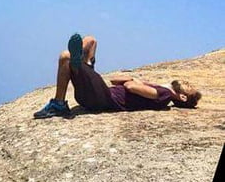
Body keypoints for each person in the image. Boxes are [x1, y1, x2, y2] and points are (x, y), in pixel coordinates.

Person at [34, 33, 202, 119]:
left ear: (183, 97)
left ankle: (59, 104)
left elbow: (129, 87)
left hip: (102, 99)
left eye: (189, 87)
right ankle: (86, 63)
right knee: (91, 41)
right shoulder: (158, 89)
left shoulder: (165, 95)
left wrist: (136, 81)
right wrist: (140, 81)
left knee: (66, 56)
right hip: (99, 93)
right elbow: (114, 80)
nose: (187, 82)